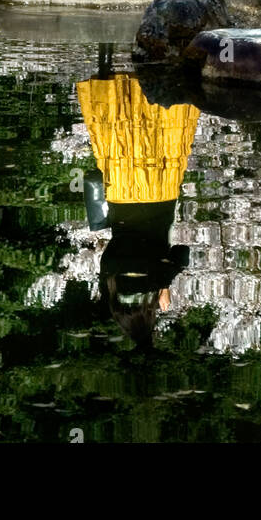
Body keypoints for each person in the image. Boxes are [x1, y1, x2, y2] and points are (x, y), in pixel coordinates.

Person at [76, 71, 198, 349]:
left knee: (161, 138)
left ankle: (161, 78)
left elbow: (182, 253)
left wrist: (164, 287)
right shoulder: (111, 278)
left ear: (148, 314)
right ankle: (118, 87)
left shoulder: (157, 278)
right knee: (125, 141)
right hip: (123, 194)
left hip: (161, 194)